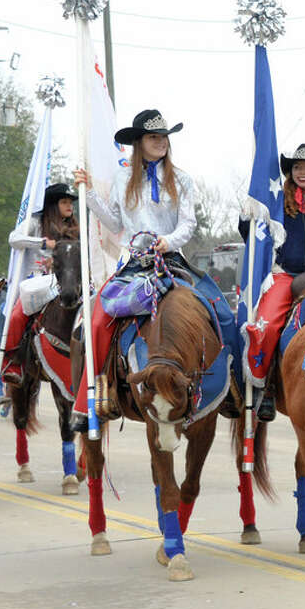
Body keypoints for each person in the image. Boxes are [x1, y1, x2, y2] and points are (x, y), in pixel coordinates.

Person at [70, 109, 203, 427]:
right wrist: (87, 193)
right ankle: (92, 396)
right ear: (139, 143)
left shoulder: (182, 179)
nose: (160, 142)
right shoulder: (122, 178)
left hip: (171, 261)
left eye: (164, 137)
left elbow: (188, 223)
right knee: (99, 315)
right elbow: (115, 222)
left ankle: (226, 389)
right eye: (153, 137)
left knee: (216, 312)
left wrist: (168, 242)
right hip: (134, 265)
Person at [238, 142, 305, 421]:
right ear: (290, 171)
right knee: (267, 324)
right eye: (298, 167)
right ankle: (267, 387)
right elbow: (252, 232)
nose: (303, 172)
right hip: (285, 274)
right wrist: (248, 214)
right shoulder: (277, 200)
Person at [0, 182, 80, 386]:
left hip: (65, 282)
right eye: (64, 201)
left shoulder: (76, 228)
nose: (70, 206)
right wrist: (43, 244)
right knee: (17, 315)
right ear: (53, 205)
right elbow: (13, 239)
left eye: (71, 202)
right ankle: (11, 361)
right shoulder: (35, 222)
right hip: (35, 282)